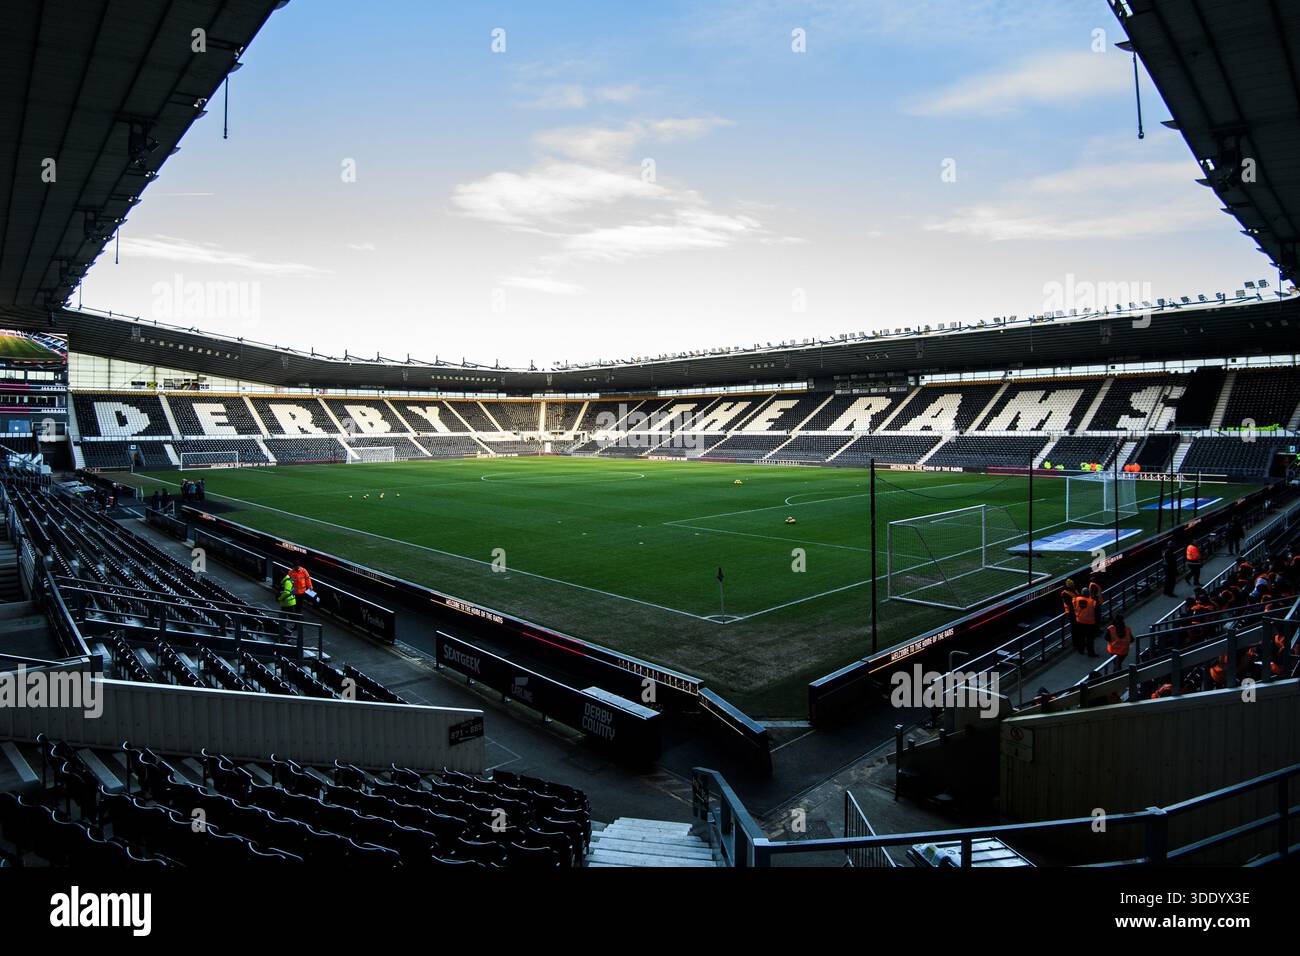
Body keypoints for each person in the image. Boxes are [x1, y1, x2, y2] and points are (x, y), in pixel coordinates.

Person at [1072, 589, 1099, 657]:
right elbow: (1097, 611)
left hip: (1079, 622)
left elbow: (1073, 606)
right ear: (1088, 594)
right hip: (1090, 623)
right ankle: (1091, 653)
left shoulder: (1076, 599)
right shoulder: (1092, 601)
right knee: (1090, 639)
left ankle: (1081, 650)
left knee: (1081, 637)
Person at [276, 571, 299, 638]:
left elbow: (286, 592)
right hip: (286, 603)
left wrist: (280, 598)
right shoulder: (285, 581)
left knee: (291, 616)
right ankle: (283, 627)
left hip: (289, 603)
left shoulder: (287, 582)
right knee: (284, 615)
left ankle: (297, 625)